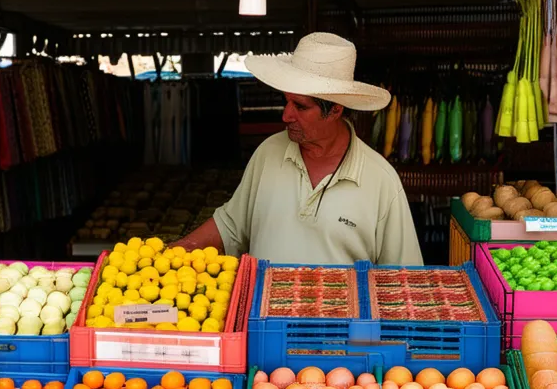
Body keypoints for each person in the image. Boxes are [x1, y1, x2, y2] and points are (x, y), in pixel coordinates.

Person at [177, 32, 423, 265]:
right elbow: (231, 226)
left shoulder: (380, 180)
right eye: (286, 101)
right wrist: (178, 251)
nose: (286, 115)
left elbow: (404, 277)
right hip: (263, 310)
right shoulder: (268, 154)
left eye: (300, 106)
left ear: (335, 110)